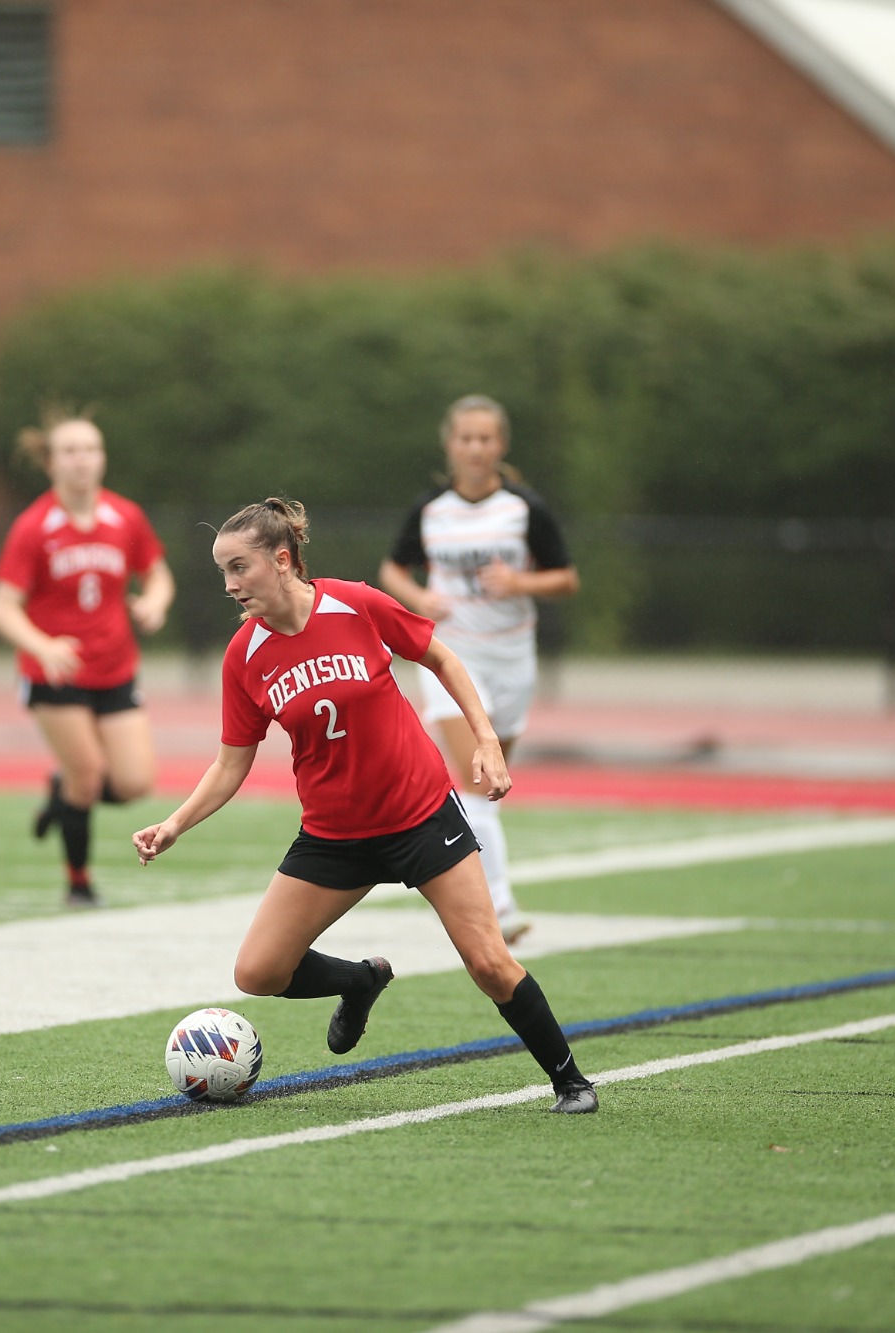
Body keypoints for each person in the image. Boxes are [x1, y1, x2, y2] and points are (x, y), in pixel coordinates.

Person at [133, 498, 597, 1114]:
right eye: (223, 571)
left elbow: (440, 657)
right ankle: (359, 980)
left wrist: (486, 739)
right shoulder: (244, 656)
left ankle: (570, 1081)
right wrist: (174, 824)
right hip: (335, 836)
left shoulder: (355, 602)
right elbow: (230, 764)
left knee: (488, 961)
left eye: (239, 568)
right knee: (259, 972)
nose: (230, 585)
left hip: (421, 816)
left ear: (281, 559)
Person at [378, 395, 579, 945]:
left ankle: (454, 886)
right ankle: (501, 910)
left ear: (501, 445)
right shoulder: (431, 510)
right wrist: (420, 596)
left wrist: (521, 584)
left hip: (513, 658)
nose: (475, 448)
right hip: (451, 654)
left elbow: (566, 577)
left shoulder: (523, 509)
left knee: (488, 790)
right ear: (450, 444)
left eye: (485, 438)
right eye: (465, 438)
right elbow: (392, 567)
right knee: (477, 779)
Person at [0, 413, 175, 908]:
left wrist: (155, 601)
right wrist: (43, 646)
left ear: (103, 458)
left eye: (91, 449)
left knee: (135, 783)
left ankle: (59, 794)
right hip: (56, 673)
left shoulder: (125, 517)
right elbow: (2, 608)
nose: (82, 460)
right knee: (89, 774)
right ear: (50, 463)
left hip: (115, 666)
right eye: (70, 451)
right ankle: (78, 882)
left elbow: (158, 575)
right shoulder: (34, 527)